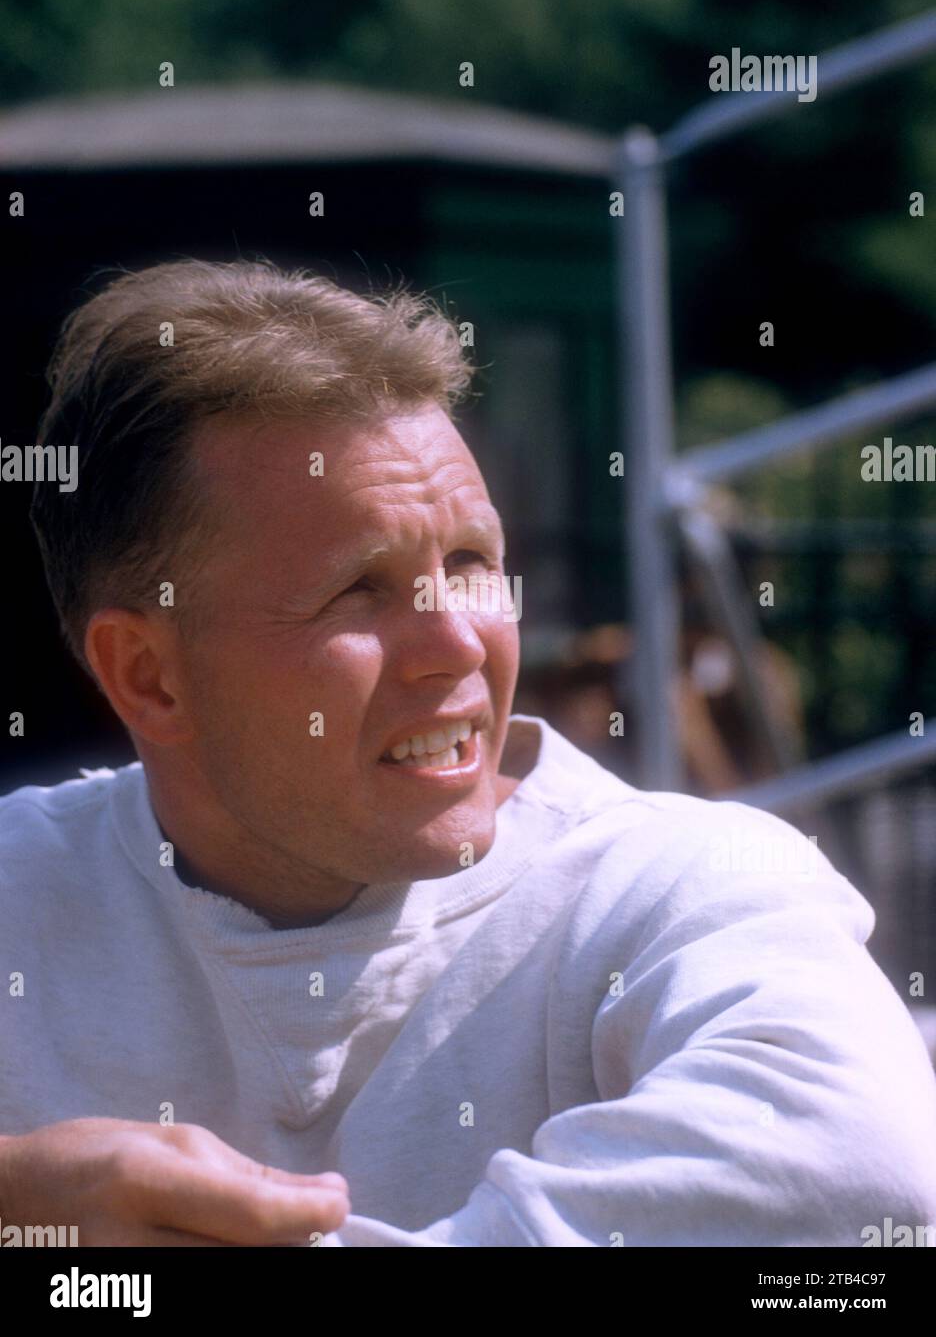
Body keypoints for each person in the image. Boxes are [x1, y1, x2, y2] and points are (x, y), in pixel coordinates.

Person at [2, 257, 934, 1248]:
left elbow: (867, 1179)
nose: (459, 642)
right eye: (358, 587)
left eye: (471, 564)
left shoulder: (678, 882)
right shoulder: (22, 893)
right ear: (148, 675)